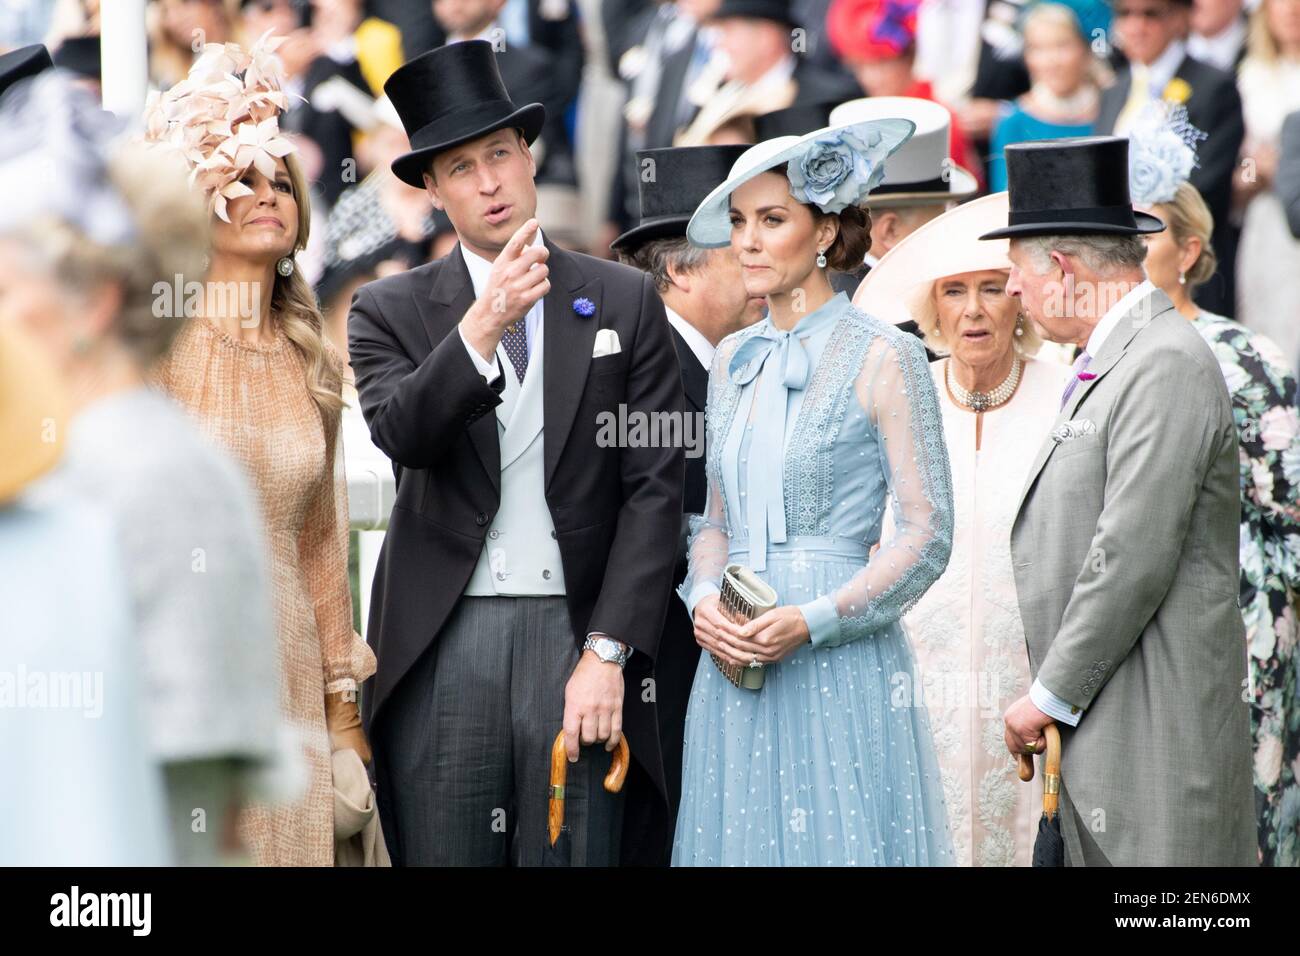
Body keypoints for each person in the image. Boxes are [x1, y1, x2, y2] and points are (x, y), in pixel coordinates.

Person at [348, 40, 685, 866]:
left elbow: (654, 489)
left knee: (577, 850)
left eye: (500, 154)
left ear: (529, 158)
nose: (489, 182)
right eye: (461, 169)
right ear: (433, 190)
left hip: (577, 634)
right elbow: (403, 434)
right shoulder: (386, 310)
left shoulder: (624, 297)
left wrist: (609, 651)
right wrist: (480, 329)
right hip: (442, 640)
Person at [1, 68, 288, 866]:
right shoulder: (46, 458)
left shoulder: (156, 473)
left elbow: (197, 803)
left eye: (5, 290)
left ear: (92, 303)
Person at [673, 117, 956, 866]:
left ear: (825, 231)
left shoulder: (887, 353)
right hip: (733, 664)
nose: (748, 242)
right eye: (739, 222)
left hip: (842, 662)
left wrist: (817, 618)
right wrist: (703, 603)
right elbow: (715, 520)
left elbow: (927, 534)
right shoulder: (731, 358)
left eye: (772, 220)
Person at [985, 136, 1257, 866]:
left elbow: (1131, 554)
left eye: (1016, 270)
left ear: (1063, 269)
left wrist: (1049, 694)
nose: (1011, 291)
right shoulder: (1117, 356)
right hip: (1110, 735)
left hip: (1154, 739)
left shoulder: (1162, 360)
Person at [146, 33, 377, 867]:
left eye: (281, 182)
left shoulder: (311, 361)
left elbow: (322, 546)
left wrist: (343, 714)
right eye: (242, 179)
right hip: (181, 652)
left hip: (291, 662)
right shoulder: (158, 346)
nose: (267, 194)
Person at [854, 193, 1072, 866]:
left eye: (991, 289)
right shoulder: (899, 393)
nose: (973, 310)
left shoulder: (1068, 396)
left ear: (1019, 300)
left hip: (1031, 685)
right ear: (934, 309)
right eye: (954, 292)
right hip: (916, 678)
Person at [1129, 109, 1300, 865]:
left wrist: (1271, 636)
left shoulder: (1246, 355)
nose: (1129, 252)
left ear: (1190, 249)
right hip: (1126, 619)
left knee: (1244, 819)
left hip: (1241, 620)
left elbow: (1289, 511)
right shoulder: (1091, 356)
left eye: (1146, 234)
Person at [611, 143, 765, 863]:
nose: (759, 262)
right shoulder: (642, 368)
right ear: (679, 269)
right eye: (737, 245)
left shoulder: (737, 364)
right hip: (661, 671)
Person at [1095, 0, 1244, 316]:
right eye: (1125, 14)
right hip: (1119, 265)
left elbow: (1207, 185)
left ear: (1179, 17)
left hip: (1188, 267)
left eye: (1150, 14)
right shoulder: (1113, 90)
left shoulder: (1213, 86)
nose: (1137, 26)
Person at [829, 96, 978, 300]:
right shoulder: (887, 309)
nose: (951, 232)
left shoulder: (827, 288)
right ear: (891, 231)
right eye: (940, 221)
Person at [1234, 0, 1300, 363]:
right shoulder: (1251, 75)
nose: (1291, 10)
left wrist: (1287, 171)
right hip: (1267, 219)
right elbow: (1242, 163)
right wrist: (1254, 173)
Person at [989, 3, 1099, 192]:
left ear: (1084, 49)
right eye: (1038, 49)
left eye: (1062, 45)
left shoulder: (1112, 109)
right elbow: (1003, 196)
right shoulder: (1013, 121)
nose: (1051, 61)